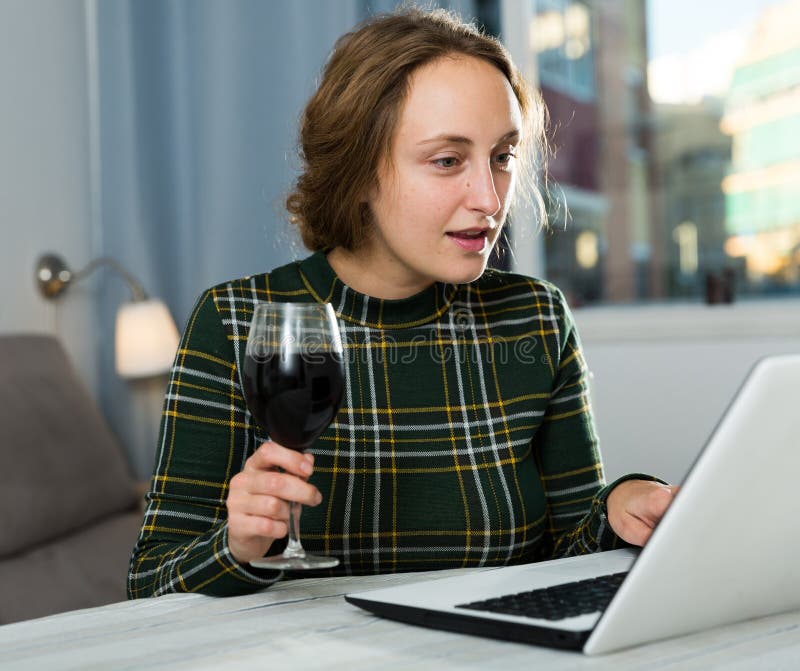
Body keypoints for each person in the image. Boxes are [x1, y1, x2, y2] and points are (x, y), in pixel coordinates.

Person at [128, 8, 676, 599]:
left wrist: (620, 504)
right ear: (359, 170)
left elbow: (572, 549)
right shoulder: (235, 321)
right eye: (447, 161)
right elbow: (150, 581)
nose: (490, 199)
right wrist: (237, 549)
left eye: (502, 156)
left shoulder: (535, 318)